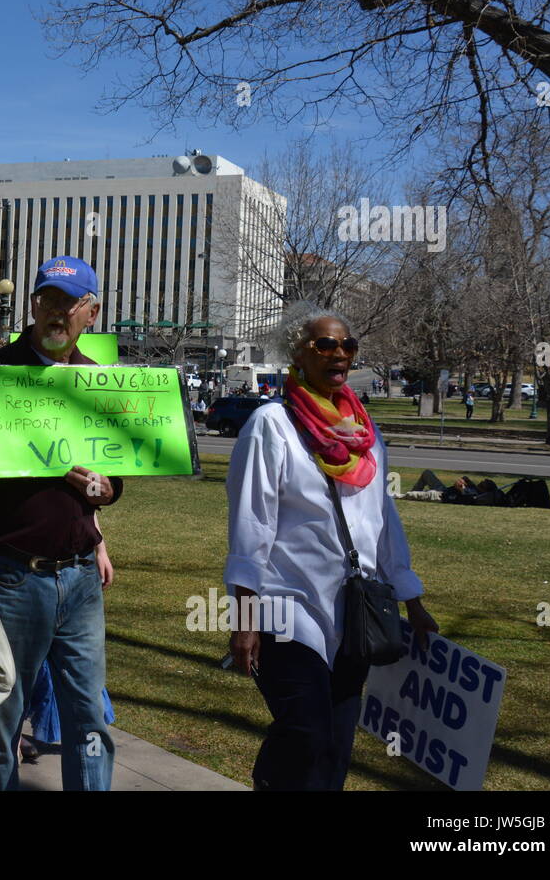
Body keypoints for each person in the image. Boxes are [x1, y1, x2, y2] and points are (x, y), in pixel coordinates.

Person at [225, 304, 438, 790]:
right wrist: (243, 620)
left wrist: (414, 601)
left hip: (356, 610)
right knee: (305, 729)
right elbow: (250, 526)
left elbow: (383, 521)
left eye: (347, 345)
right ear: (298, 353)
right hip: (286, 605)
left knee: (337, 740)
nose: (338, 353)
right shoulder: (271, 425)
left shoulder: (365, 433)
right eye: (324, 344)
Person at [0, 255, 121, 792]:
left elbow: (113, 477)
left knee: (89, 723)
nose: (56, 312)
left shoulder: (98, 382)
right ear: (33, 304)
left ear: (92, 311)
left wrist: (107, 490)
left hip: (81, 580)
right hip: (9, 580)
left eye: (69, 302)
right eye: (47, 300)